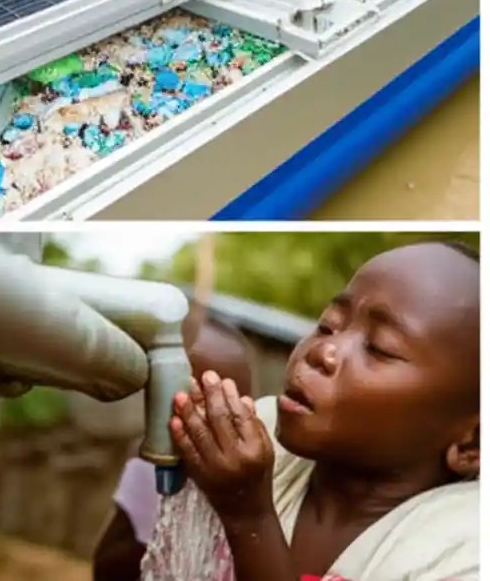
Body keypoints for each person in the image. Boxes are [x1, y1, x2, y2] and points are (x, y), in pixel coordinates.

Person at [142, 241, 479, 580]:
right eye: (328, 325)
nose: (323, 351)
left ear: (471, 443)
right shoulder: (259, 440)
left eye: (379, 348)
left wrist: (248, 517)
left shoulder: (464, 554)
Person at [93, 306, 254, 581]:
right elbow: (107, 567)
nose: (201, 420)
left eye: (222, 408)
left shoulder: (256, 489)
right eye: (187, 404)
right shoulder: (150, 469)